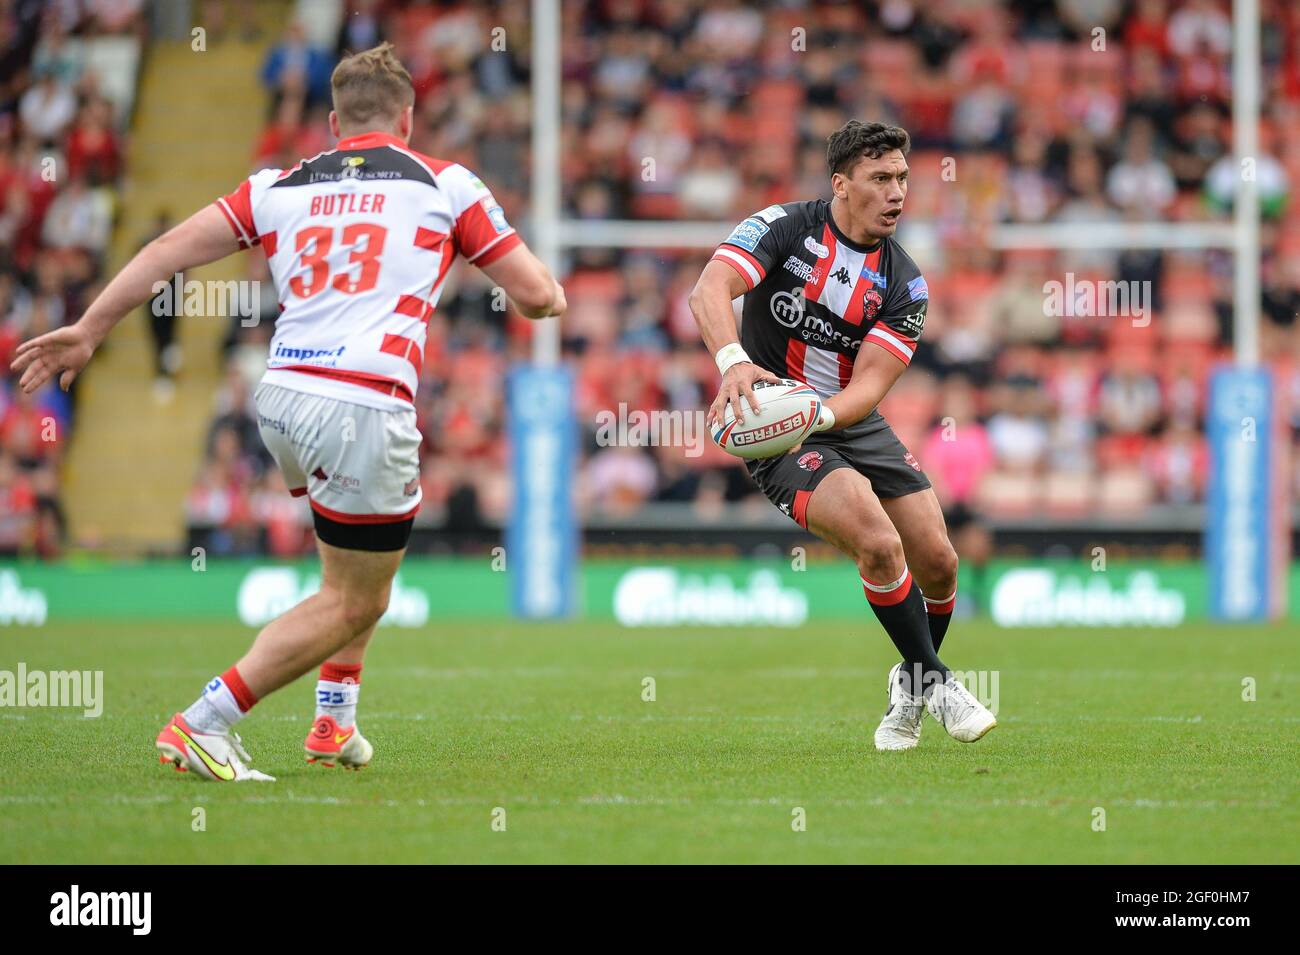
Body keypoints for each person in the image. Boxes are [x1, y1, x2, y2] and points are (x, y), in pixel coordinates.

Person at [10, 43, 566, 781]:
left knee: (350, 572)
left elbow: (167, 249)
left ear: (334, 122)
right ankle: (204, 720)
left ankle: (334, 719)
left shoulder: (278, 185)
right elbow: (535, 297)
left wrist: (89, 328)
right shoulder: (445, 183)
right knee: (353, 597)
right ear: (408, 118)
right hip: (363, 402)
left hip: (281, 399)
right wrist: (553, 293)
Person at [689, 120, 996, 751]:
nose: (897, 193)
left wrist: (822, 416)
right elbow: (709, 289)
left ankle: (907, 689)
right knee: (880, 547)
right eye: (881, 178)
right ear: (841, 183)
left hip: (845, 418)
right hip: (776, 427)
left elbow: (871, 385)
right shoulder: (783, 226)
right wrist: (732, 362)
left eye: (903, 178)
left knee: (939, 561)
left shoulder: (905, 281)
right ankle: (936, 683)